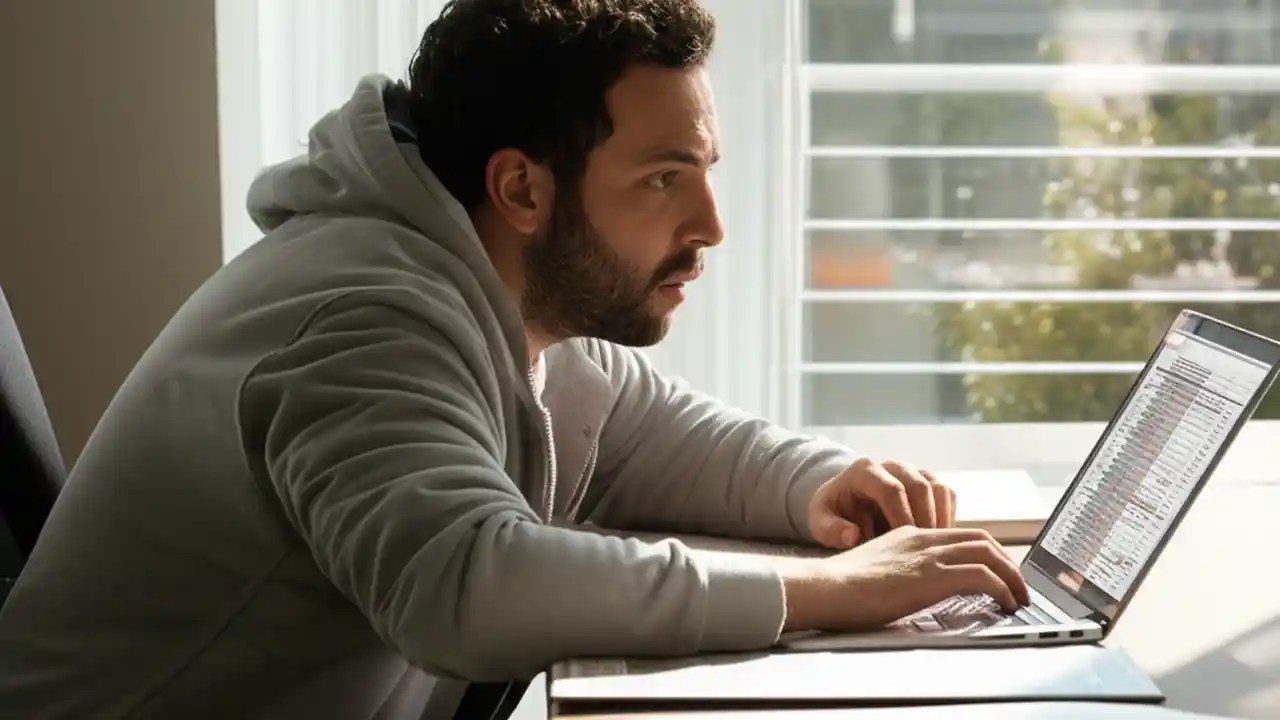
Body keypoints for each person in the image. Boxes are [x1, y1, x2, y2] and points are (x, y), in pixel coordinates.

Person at [0, 1, 1028, 717]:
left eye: (704, 172)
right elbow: (464, 587)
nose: (711, 224)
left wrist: (822, 486)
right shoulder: (363, 316)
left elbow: (629, 427)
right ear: (522, 190)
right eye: (664, 180)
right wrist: (829, 592)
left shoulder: (482, 281)